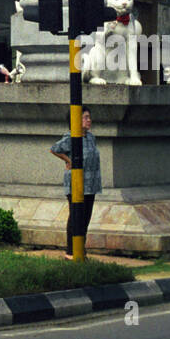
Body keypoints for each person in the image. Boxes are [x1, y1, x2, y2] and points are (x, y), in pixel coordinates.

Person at [50, 109, 101, 259]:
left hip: (91, 184)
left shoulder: (91, 137)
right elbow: (54, 149)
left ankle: (81, 249)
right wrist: (68, 160)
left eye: (89, 117)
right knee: (76, 216)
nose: (89, 120)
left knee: (85, 217)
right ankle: (71, 251)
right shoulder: (71, 137)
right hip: (76, 184)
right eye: (85, 117)